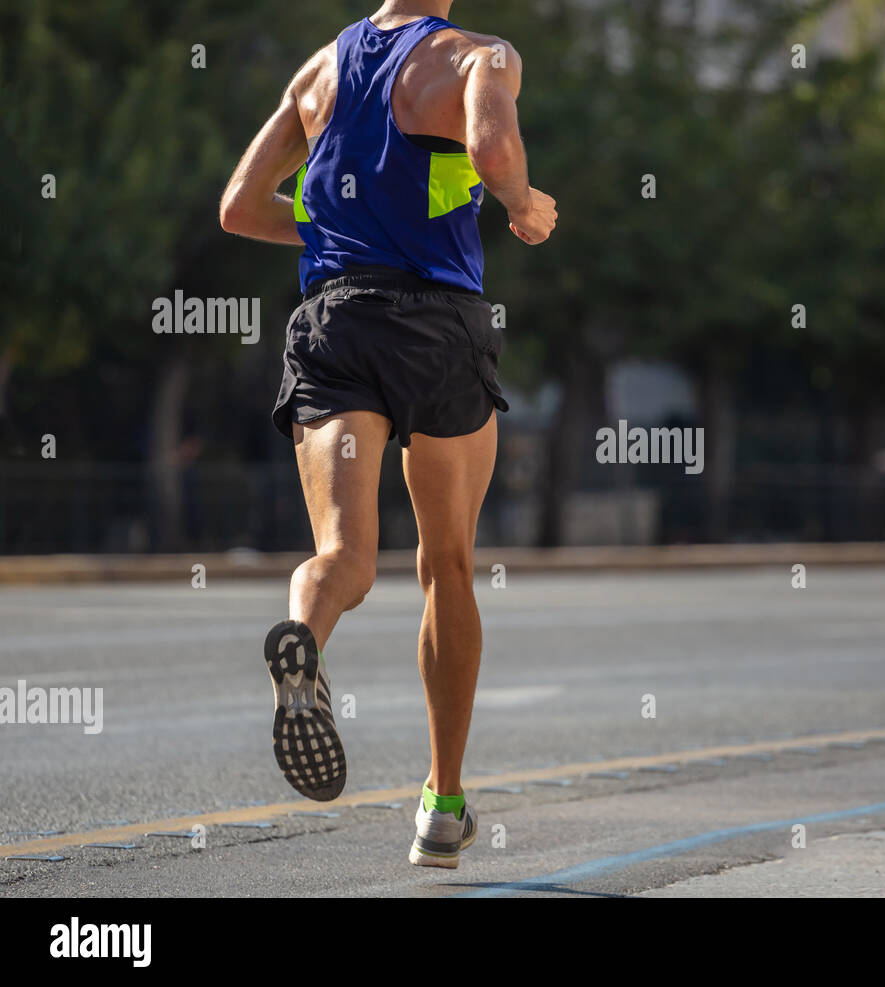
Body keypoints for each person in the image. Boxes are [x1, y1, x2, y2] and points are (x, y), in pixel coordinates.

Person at [219, 0, 556, 868]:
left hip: (335, 322)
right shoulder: (481, 53)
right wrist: (522, 202)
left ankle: (305, 638)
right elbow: (490, 147)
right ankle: (443, 805)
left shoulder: (316, 72)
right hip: (439, 327)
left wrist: (337, 227)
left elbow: (239, 205)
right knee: (446, 562)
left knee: (343, 556)